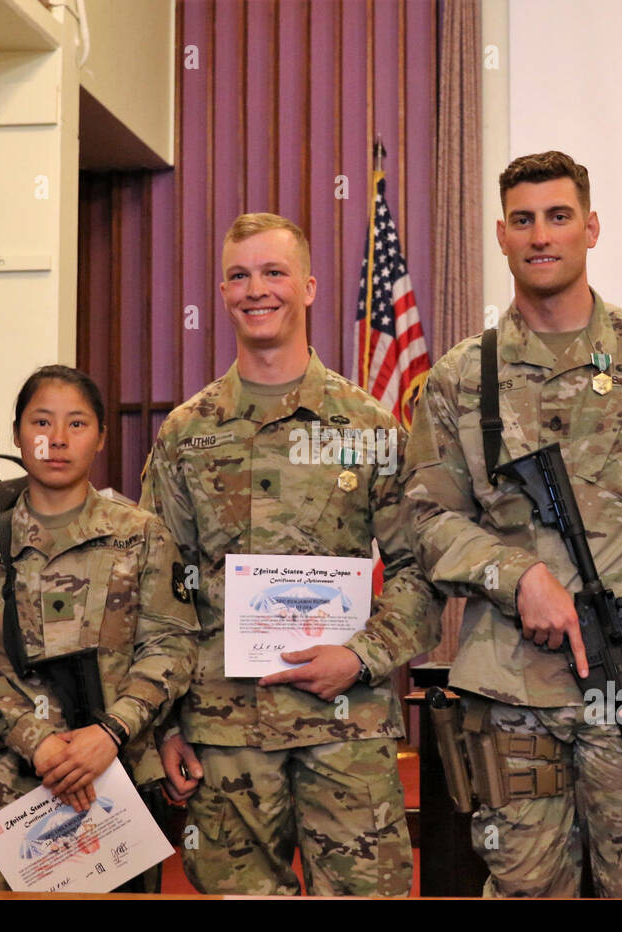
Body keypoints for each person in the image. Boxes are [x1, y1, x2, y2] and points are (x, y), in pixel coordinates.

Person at [403, 150, 622, 898]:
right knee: (525, 889)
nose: (541, 235)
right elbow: (427, 519)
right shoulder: (461, 378)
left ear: (590, 227)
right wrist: (517, 574)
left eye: (559, 217)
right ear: (500, 234)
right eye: (523, 220)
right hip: (512, 693)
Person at [139, 212, 442, 896]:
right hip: (224, 733)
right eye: (240, 275)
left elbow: (421, 573)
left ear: (307, 287)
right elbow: (158, 591)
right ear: (222, 294)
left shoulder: (367, 426)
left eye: (274, 272)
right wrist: (162, 726)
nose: (257, 289)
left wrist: (359, 656)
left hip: (347, 728)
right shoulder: (187, 434)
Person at [0, 365, 197, 891]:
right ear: (17, 434)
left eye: (76, 424)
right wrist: (40, 744)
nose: (56, 439)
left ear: (100, 436)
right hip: (0, 794)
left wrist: (111, 731)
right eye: (41, 422)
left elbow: (172, 644)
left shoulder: (142, 535)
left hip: (112, 788)